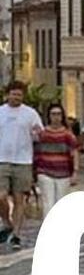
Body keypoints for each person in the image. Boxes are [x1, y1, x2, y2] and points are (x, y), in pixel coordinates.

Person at [0, 82, 43, 249]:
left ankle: (16, 234)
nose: (16, 97)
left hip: (23, 160)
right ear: (7, 95)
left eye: (19, 95)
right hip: (2, 159)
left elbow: (39, 133)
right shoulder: (1, 112)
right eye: (13, 94)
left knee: (20, 199)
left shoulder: (30, 114)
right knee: (1, 196)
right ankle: (7, 221)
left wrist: (38, 134)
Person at [33, 103, 79, 217]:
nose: (56, 117)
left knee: (61, 203)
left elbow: (74, 152)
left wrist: (75, 172)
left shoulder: (67, 134)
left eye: (59, 114)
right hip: (44, 171)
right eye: (53, 114)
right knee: (48, 202)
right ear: (49, 116)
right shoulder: (42, 134)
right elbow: (35, 152)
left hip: (63, 173)